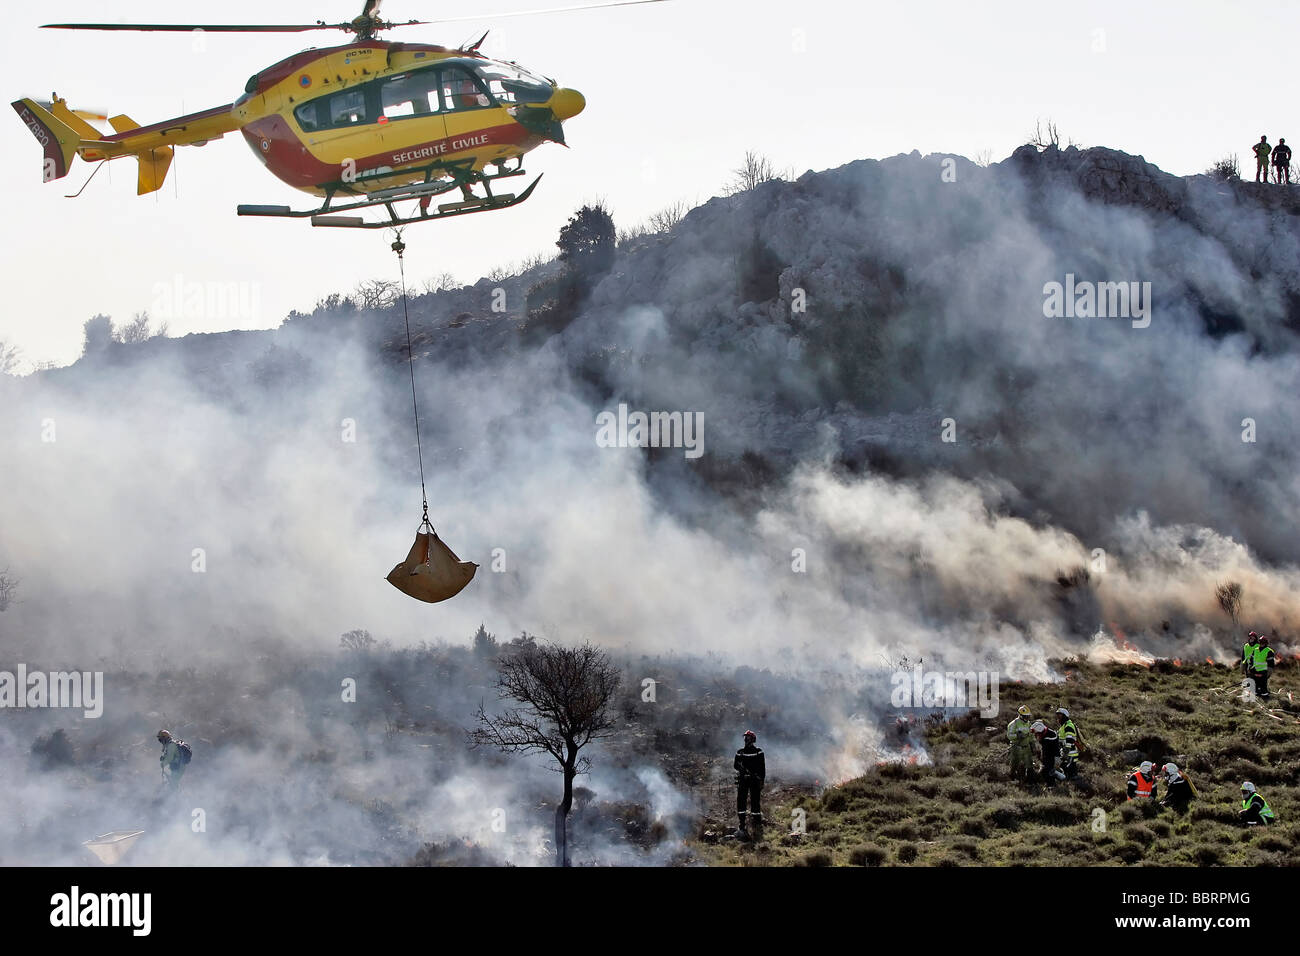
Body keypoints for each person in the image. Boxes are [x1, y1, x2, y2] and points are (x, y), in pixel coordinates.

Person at [734, 730, 765, 835]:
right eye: (745, 737)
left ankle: (757, 824)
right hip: (743, 780)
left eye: (748, 737)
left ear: (752, 739)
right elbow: (735, 765)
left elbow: (762, 768)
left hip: (754, 780)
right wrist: (741, 769)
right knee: (741, 801)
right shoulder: (740, 752)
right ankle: (742, 824)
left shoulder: (758, 751)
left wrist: (761, 780)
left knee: (755, 802)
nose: (746, 739)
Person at [1007, 706, 1035, 783]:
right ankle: (1012, 780)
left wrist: (1033, 744)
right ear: (1020, 715)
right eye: (1025, 716)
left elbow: (1031, 735)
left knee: (1029, 765)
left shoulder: (1028, 724)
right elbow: (1009, 736)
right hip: (1016, 747)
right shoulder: (1014, 724)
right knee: (1014, 765)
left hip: (1027, 748)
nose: (1027, 718)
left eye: (1028, 716)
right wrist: (1017, 736)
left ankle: (1030, 782)